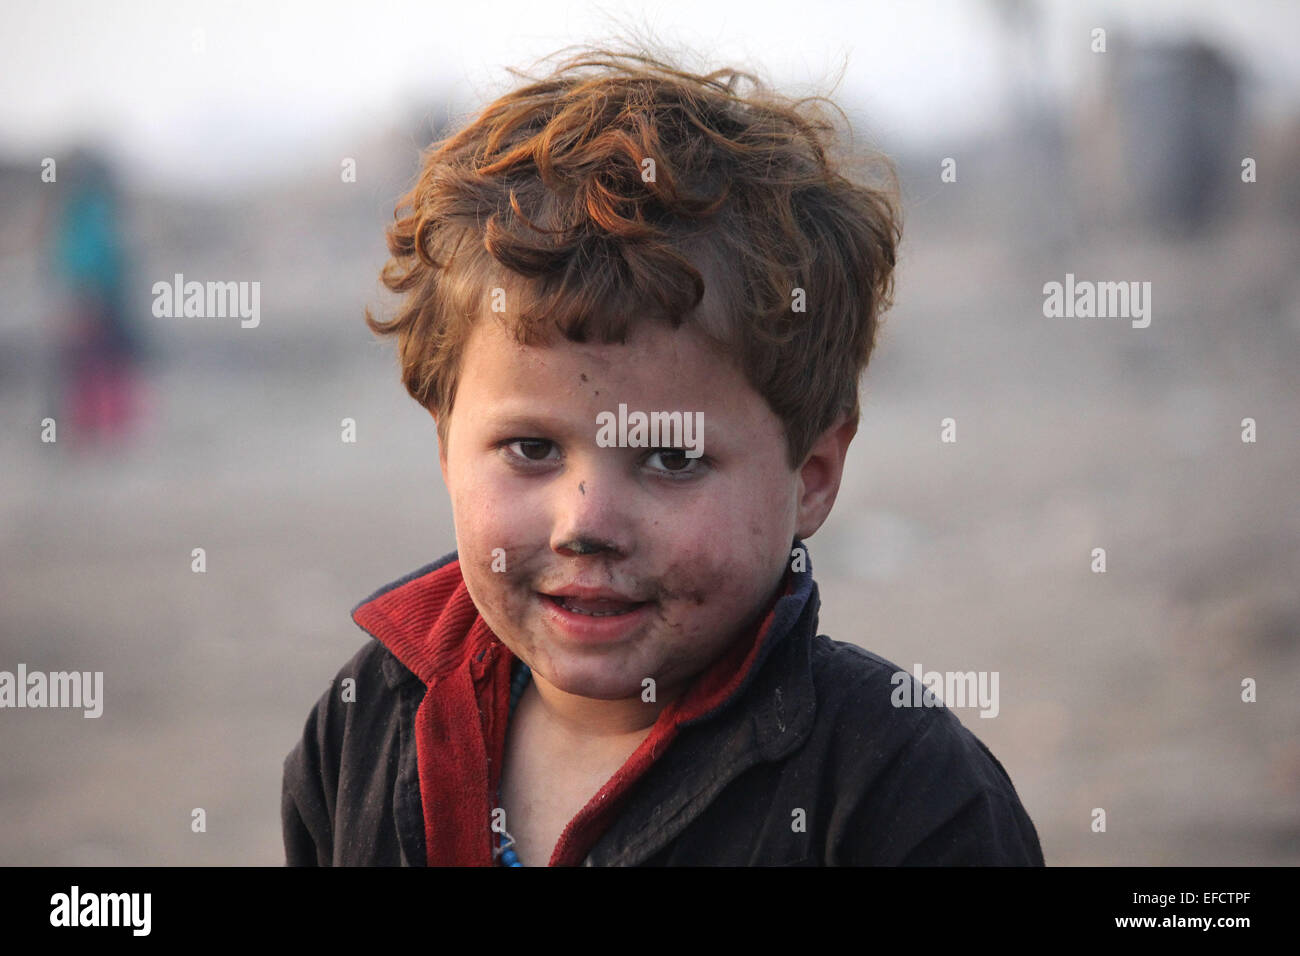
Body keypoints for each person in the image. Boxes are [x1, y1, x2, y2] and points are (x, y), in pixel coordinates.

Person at [281, 44, 1045, 866]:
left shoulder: (901, 793)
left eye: (672, 459)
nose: (588, 523)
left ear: (813, 476)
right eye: (532, 448)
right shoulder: (366, 728)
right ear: (444, 447)